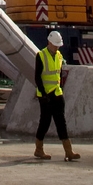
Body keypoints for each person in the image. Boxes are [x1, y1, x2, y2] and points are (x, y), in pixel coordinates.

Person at [33, 30, 80, 161]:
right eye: (55, 44)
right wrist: (42, 94)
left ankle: (68, 151)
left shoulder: (59, 56)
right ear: (49, 42)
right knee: (45, 122)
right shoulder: (41, 55)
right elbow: (37, 77)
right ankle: (39, 149)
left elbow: (58, 74)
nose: (57, 47)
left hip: (57, 93)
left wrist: (60, 88)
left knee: (61, 122)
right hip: (45, 95)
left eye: (58, 45)